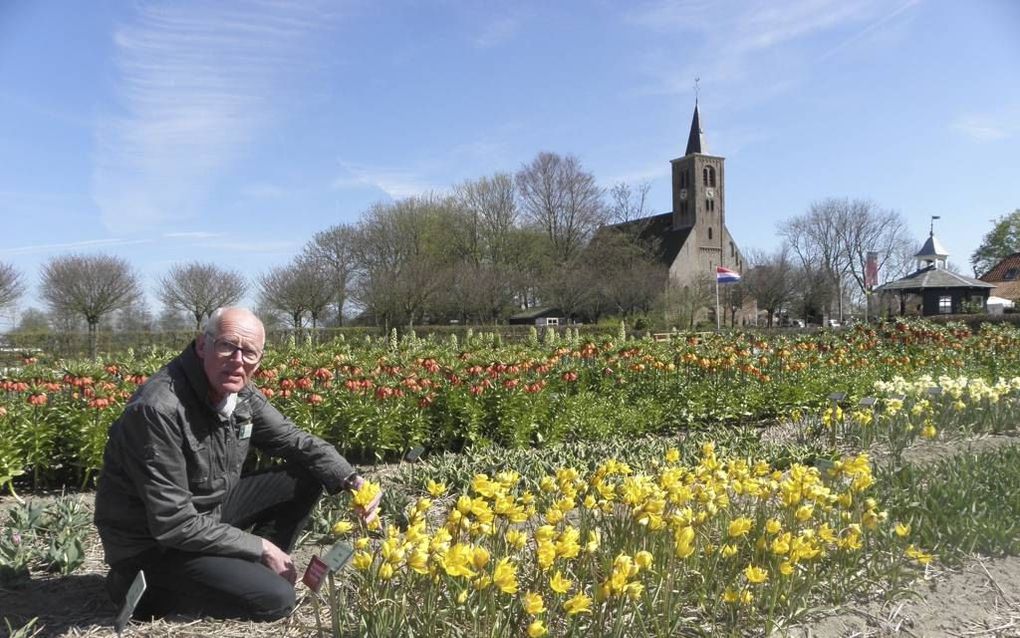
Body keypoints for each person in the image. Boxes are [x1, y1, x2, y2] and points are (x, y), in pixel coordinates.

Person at [94, 307, 381, 621]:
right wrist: (261, 546)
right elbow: (173, 523)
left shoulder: (238, 392)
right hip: (153, 544)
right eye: (227, 346)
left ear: (259, 359)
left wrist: (353, 480)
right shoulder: (158, 409)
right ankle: (136, 588)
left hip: (206, 512)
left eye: (249, 353)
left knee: (307, 474)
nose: (238, 360)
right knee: (276, 600)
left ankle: (250, 573)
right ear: (202, 345)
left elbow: (294, 439)